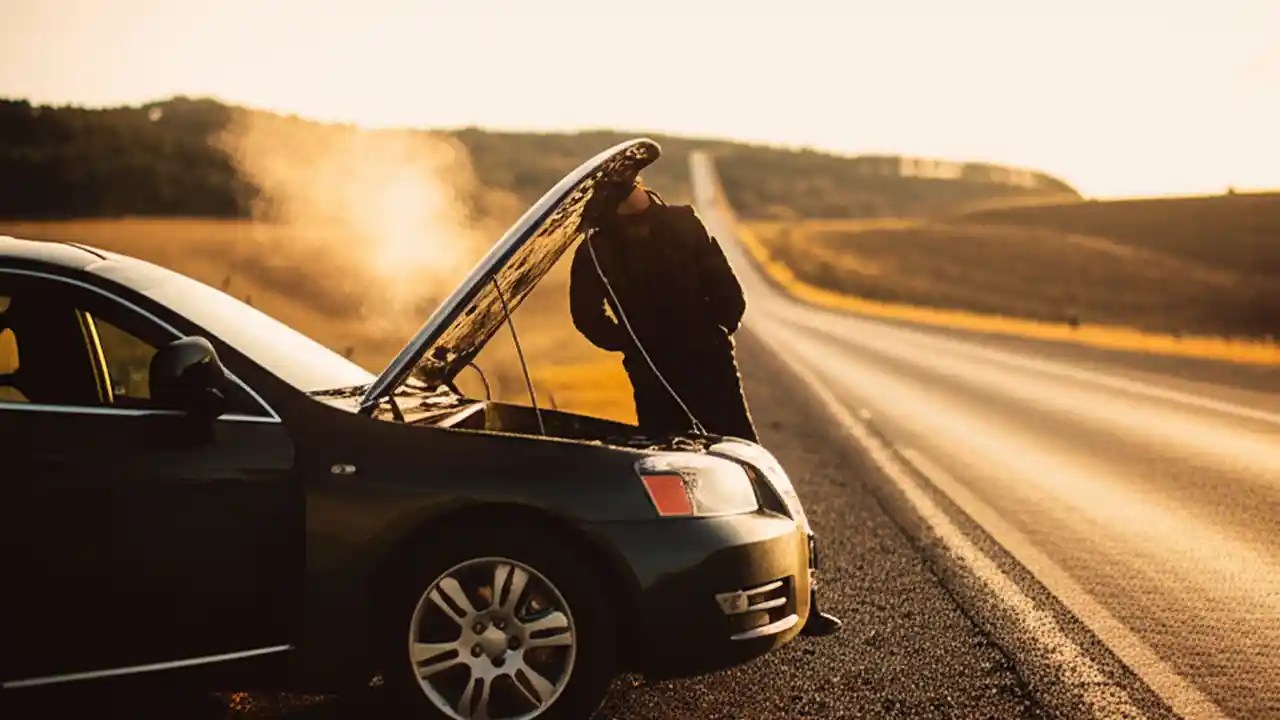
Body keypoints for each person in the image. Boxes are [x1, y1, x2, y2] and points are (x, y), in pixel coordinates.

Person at [569, 176, 842, 637]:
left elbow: (729, 292)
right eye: (623, 193)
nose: (634, 195)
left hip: (706, 367)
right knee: (672, 489)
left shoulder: (681, 224)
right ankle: (688, 608)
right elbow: (585, 315)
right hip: (657, 376)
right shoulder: (596, 249)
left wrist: (714, 332)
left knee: (752, 470)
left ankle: (804, 601)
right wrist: (631, 345)